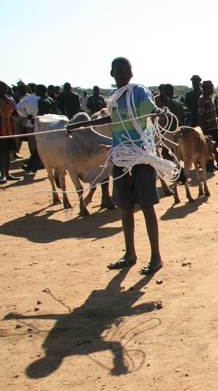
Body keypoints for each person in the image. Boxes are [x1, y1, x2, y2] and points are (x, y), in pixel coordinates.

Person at [67, 57, 163, 274]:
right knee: (125, 207)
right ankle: (130, 254)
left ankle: (156, 257)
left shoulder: (140, 92)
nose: (121, 74)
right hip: (121, 159)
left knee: (147, 206)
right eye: (117, 71)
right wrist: (80, 124)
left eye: (125, 70)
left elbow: (151, 111)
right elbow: (111, 120)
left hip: (141, 158)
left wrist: (159, 113)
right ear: (111, 74)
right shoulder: (114, 97)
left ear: (131, 73)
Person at [198, 81, 218, 170]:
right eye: (211, 88)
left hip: (213, 126)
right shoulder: (202, 99)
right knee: (207, 148)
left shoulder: (210, 98)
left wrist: (217, 125)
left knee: (214, 146)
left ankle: (212, 164)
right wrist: (204, 129)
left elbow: (213, 114)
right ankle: (207, 165)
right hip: (208, 128)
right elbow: (200, 115)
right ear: (205, 89)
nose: (212, 90)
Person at [0, 81, 19, 182]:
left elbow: (11, 115)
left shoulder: (9, 101)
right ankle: (2, 174)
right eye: (2, 88)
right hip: (0, 132)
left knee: (8, 152)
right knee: (1, 153)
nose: (5, 90)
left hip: (9, 131)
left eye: (6, 88)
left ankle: (7, 173)